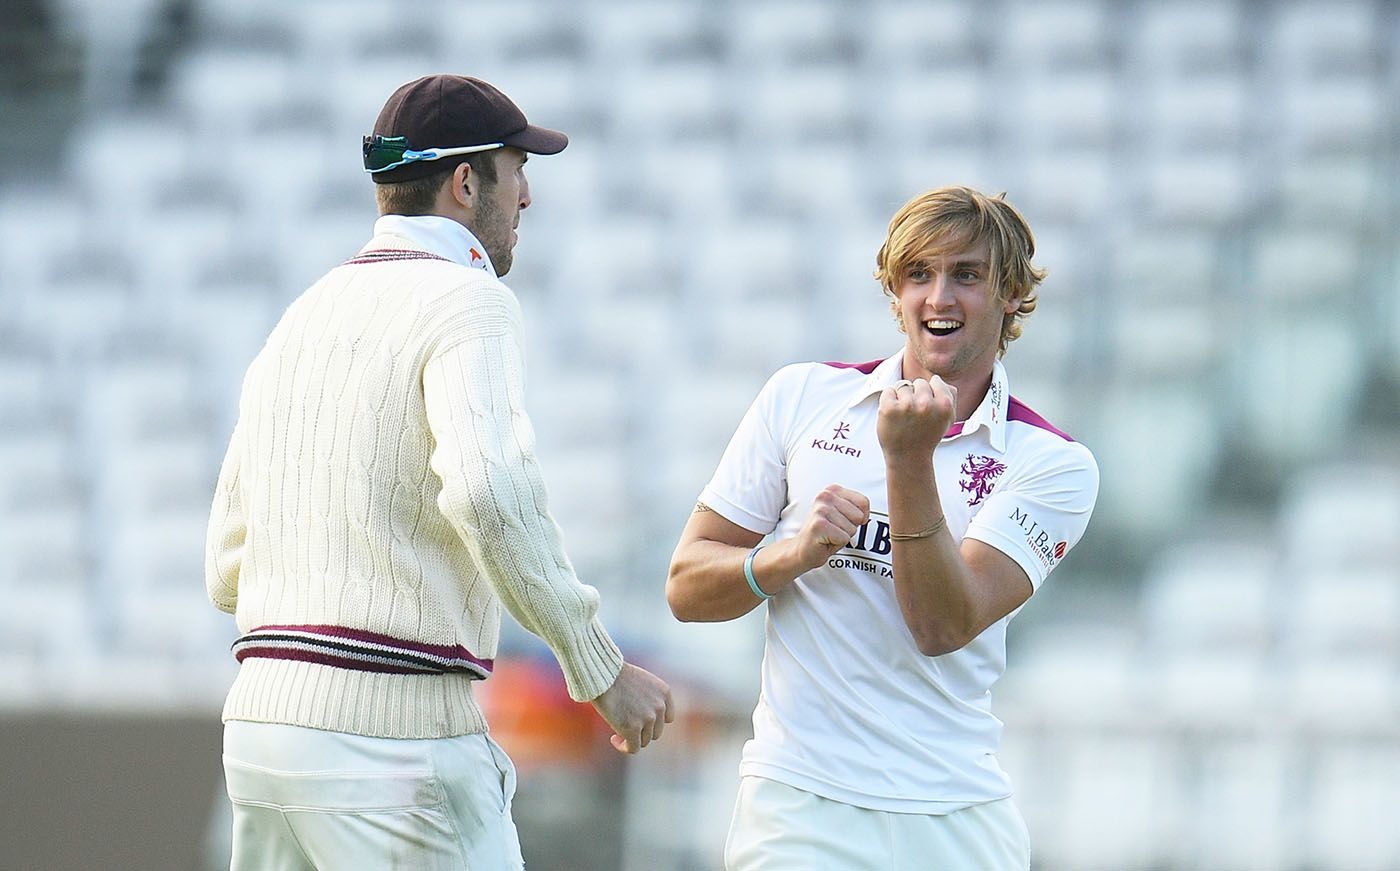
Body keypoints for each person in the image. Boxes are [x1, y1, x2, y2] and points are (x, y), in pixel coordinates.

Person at [206, 74, 674, 870]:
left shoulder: (302, 313)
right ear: (465, 183)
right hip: (390, 745)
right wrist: (598, 667)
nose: (525, 195)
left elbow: (226, 564)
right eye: (516, 169)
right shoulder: (468, 300)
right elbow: (490, 494)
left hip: (259, 735)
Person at [667, 185, 1098, 870]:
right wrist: (786, 557)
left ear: (1012, 293)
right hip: (799, 803)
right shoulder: (801, 396)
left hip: (954, 815)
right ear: (894, 289)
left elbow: (942, 626)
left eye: (968, 275)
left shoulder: (1052, 462)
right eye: (918, 274)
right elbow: (687, 586)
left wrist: (906, 457)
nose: (938, 298)